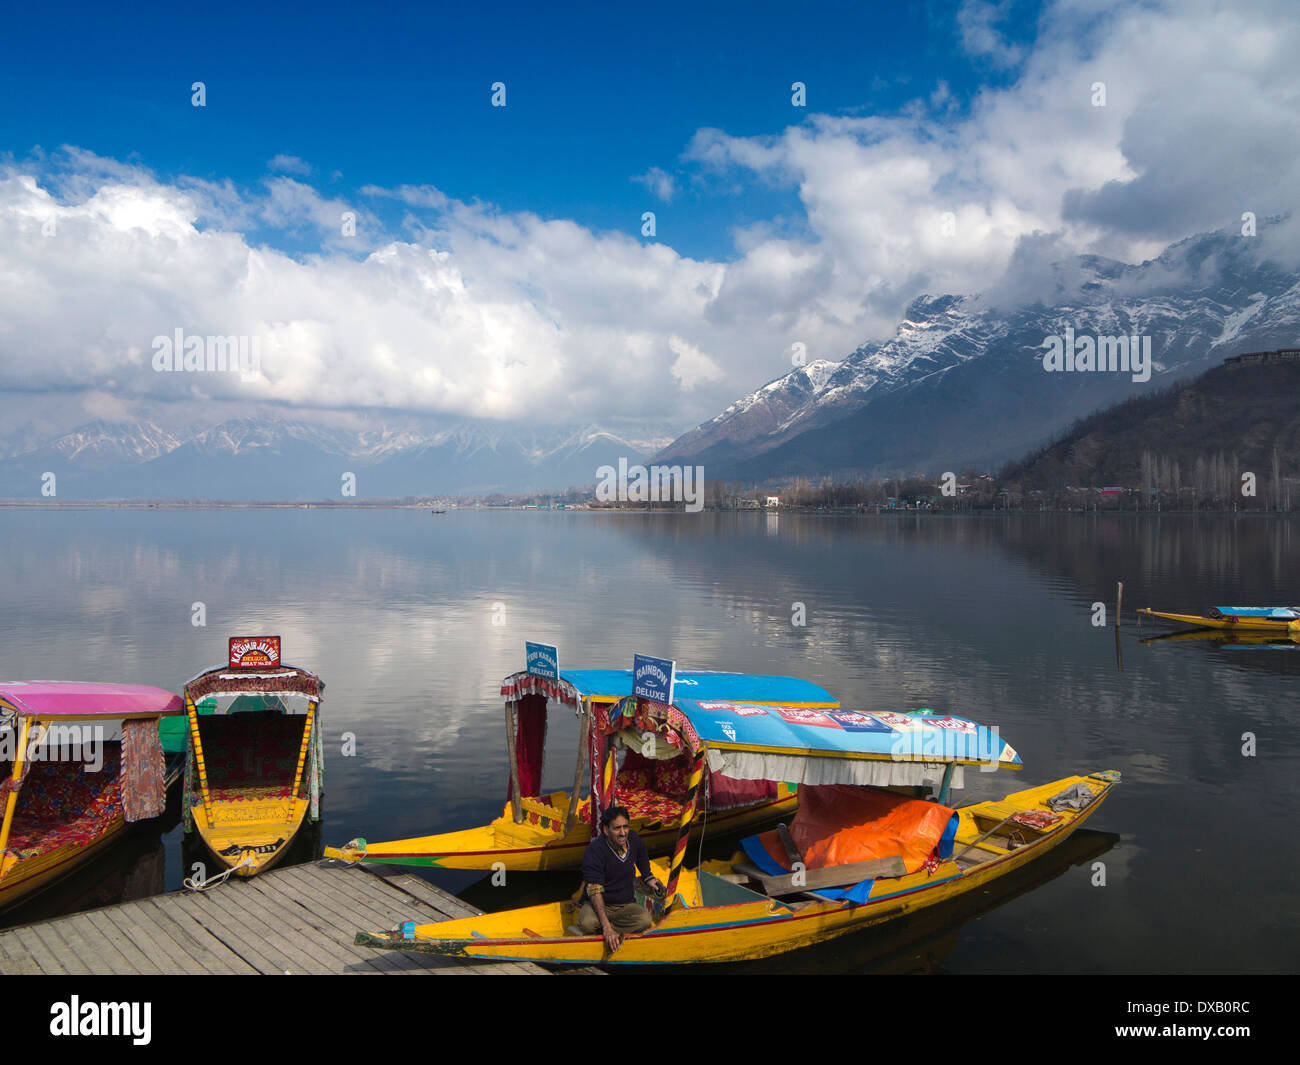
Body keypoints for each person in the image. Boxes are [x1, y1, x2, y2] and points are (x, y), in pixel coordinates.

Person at [578, 805, 664, 952]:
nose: (623, 833)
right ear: (606, 830)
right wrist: (606, 926)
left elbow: (641, 855)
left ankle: (608, 932)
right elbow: (595, 890)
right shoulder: (594, 851)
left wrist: (648, 876)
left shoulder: (633, 839)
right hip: (598, 903)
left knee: (645, 920)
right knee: (587, 923)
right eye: (617, 828)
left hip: (624, 904)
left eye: (625, 827)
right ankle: (606, 930)